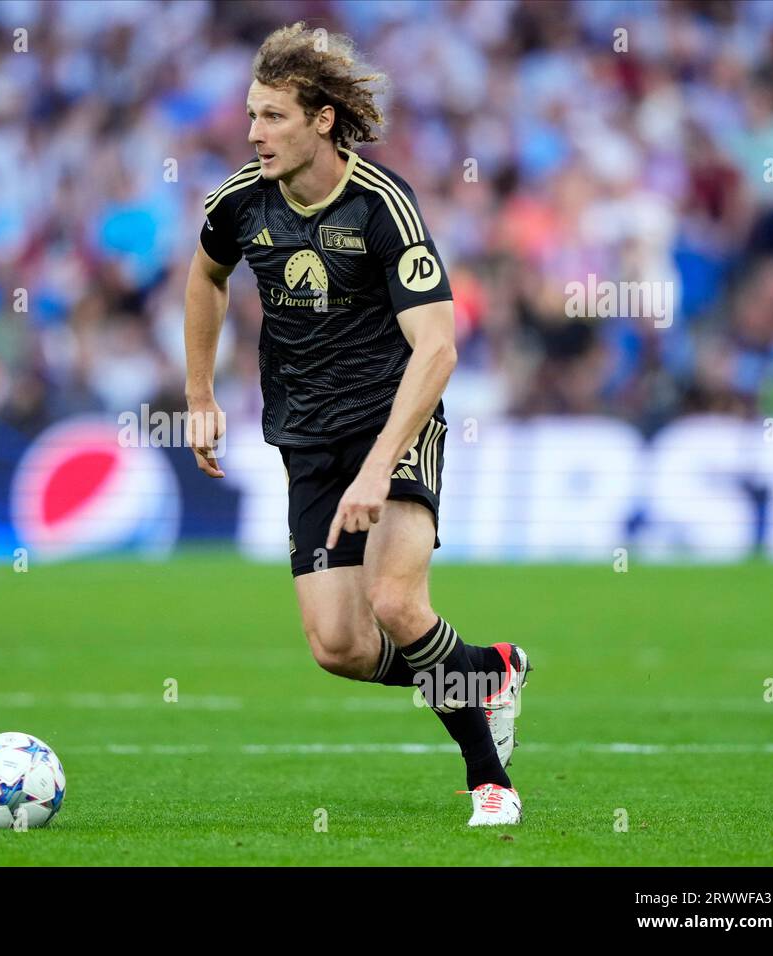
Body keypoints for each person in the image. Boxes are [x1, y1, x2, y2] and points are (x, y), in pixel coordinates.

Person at [182, 22, 530, 826]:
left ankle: (492, 784)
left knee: (399, 603)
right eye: (250, 115)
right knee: (338, 646)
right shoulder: (240, 203)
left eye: (272, 116)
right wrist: (200, 393)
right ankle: (486, 672)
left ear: (322, 120)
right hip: (306, 437)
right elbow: (205, 277)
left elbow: (437, 349)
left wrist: (381, 466)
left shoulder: (382, 205)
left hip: (394, 425)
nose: (254, 132)